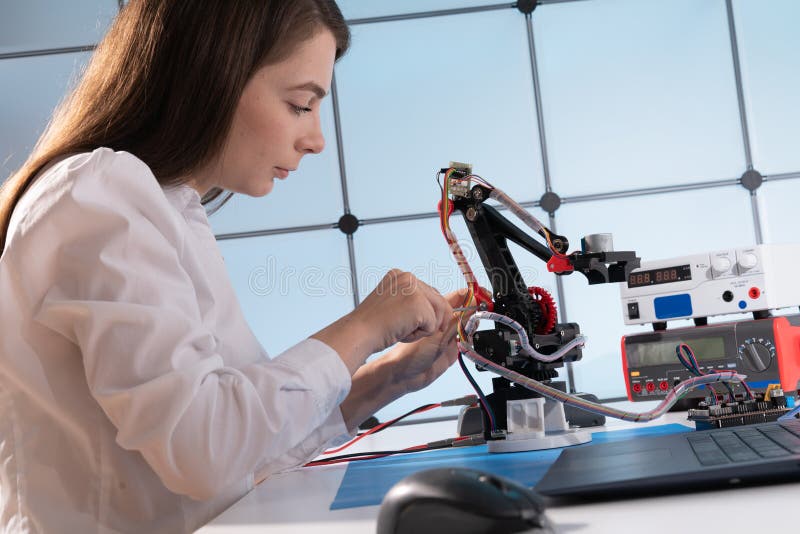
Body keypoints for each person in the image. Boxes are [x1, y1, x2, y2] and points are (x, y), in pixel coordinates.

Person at [0, 1, 465, 532]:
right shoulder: (99, 193)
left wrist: (386, 380)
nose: (315, 140)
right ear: (213, 74)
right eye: (299, 105)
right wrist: (364, 326)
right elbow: (204, 452)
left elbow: (239, 451)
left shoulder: (165, 206)